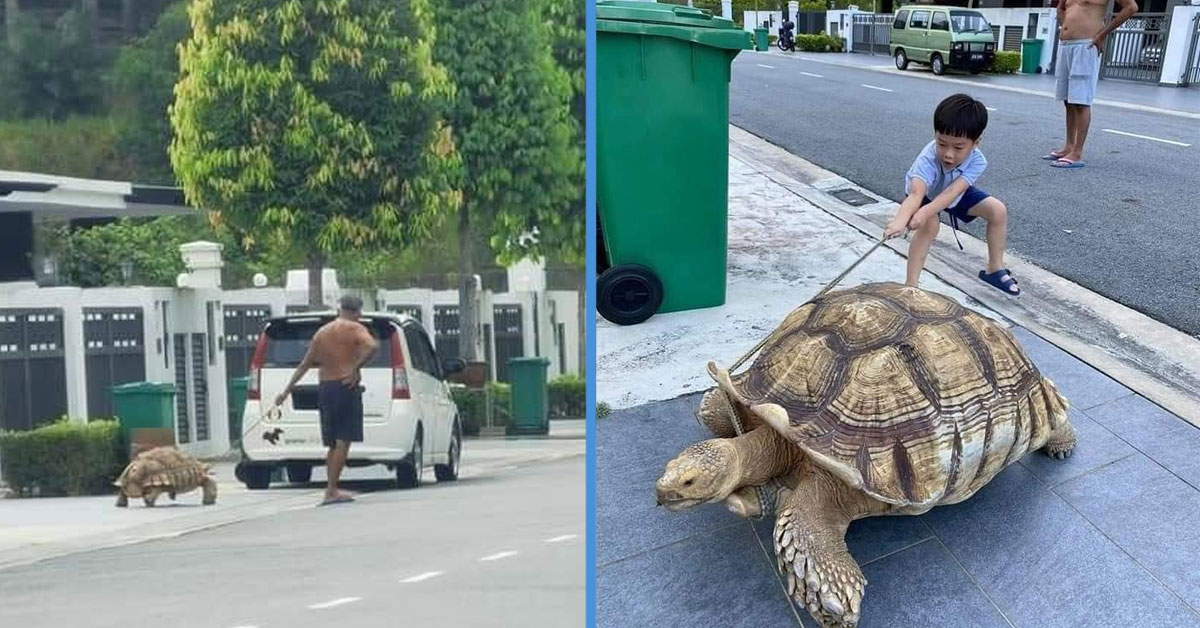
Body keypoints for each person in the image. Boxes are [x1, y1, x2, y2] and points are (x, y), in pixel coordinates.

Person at [885, 93, 1019, 296]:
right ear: (935, 135)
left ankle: (994, 267)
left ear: (976, 143)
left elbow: (953, 192)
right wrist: (900, 220)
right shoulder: (927, 159)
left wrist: (923, 214)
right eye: (941, 143)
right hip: (925, 194)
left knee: (997, 211)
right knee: (930, 227)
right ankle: (911, 286)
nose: (948, 153)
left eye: (958, 147)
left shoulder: (977, 161)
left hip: (953, 189)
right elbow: (915, 194)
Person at [275, 295, 378, 505]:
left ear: (340, 308)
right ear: (357, 310)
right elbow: (372, 346)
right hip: (345, 386)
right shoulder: (355, 328)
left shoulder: (322, 332)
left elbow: (305, 364)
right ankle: (332, 489)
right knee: (343, 440)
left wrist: (286, 391)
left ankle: (330, 488)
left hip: (326, 388)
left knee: (332, 443)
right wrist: (356, 367)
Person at [1044, 0, 1138, 168]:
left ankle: (1077, 153)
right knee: (1068, 100)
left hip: (1085, 46)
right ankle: (1068, 146)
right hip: (1066, 45)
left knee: (1081, 101)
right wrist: (1065, 25)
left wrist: (1101, 34)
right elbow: (1060, 8)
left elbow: (1131, 7)